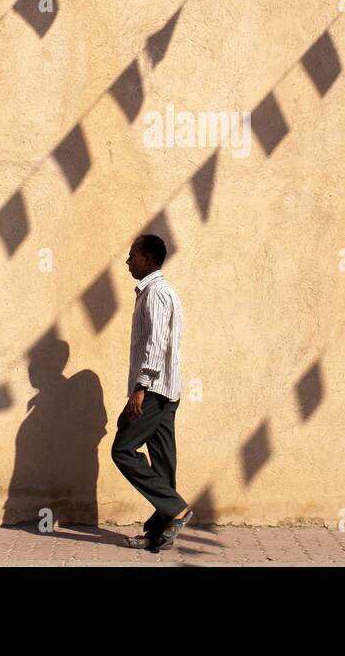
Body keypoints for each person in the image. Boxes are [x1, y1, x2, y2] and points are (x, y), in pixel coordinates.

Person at [111, 234, 193, 552]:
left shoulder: (155, 293)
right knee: (162, 464)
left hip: (155, 389)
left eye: (132, 255)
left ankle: (177, 509)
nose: (128, 261)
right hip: (168, 389)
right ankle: (159, 532)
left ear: (147, 259)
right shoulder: (161, 292)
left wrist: (141, 387)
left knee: (122, 449)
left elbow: (156, 343)